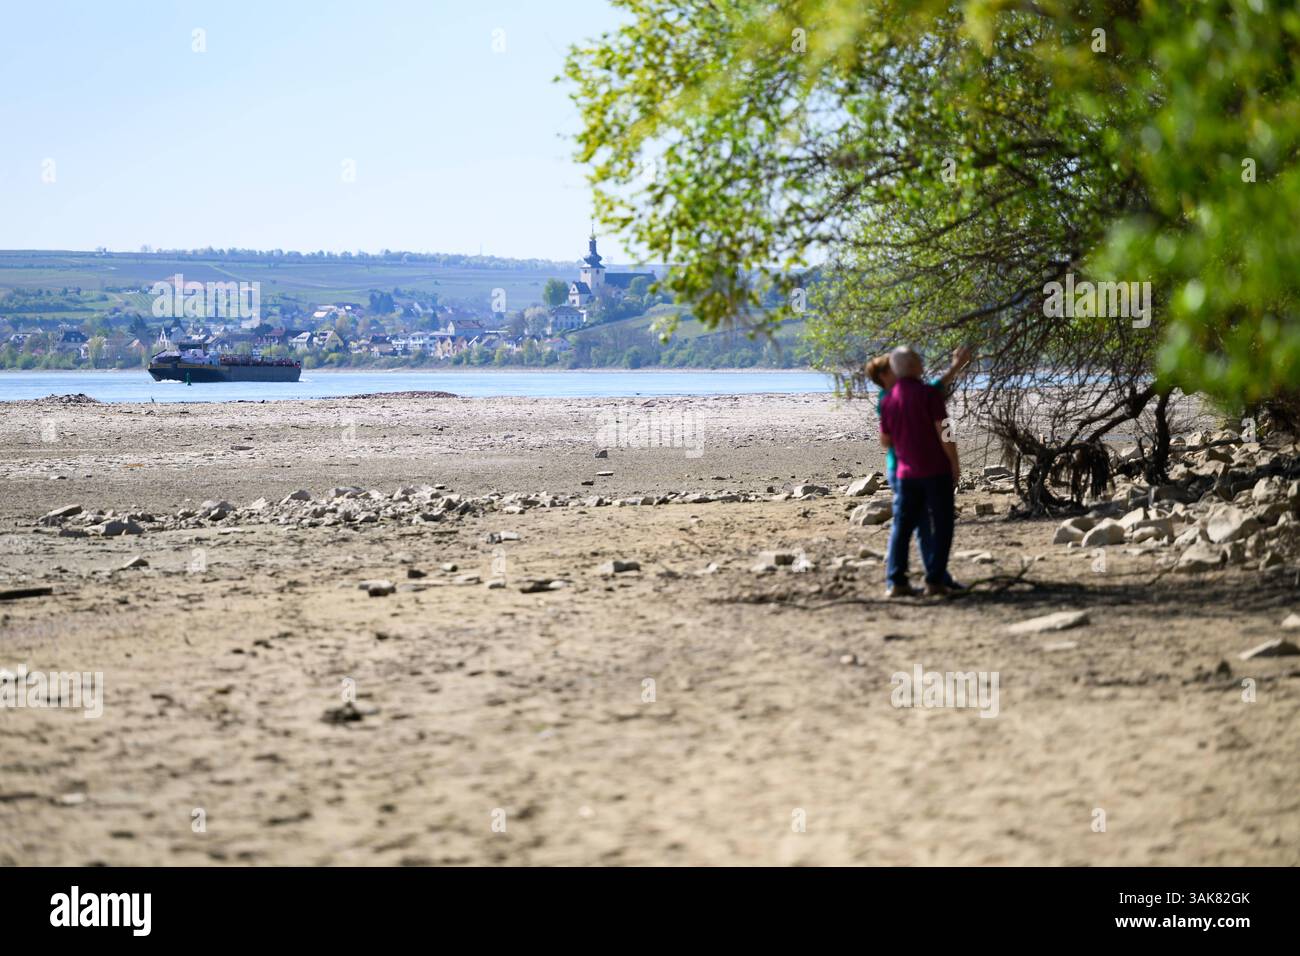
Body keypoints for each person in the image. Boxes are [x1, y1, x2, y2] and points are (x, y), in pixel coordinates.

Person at [865, 346, 970, 590]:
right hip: (934, 470)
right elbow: (944, 429)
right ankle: (934, 579)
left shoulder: (888, 400)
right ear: (912, 365)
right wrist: (954, 462)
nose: (922, 361)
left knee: (903, 526)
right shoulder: (927, 394)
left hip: (905, 474)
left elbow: (885, 440)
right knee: (942, 524)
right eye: (918, 359)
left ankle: (897, 580)